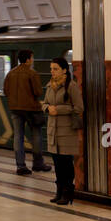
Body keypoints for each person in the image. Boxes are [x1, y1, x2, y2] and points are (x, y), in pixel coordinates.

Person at [43, 56, 84, 205]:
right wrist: (47, 108)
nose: (52, 72)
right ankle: (59, 191)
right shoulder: (49, 86)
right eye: (51, 69)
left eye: (55, 69)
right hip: (53, 131)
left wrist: (58, 110)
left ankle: (68, 191)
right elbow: (44, 103)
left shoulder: (71, 86)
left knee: (66, 163)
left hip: (66, 132)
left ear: (64, 70)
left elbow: (79, 108)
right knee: (57, 163)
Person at [3, 49, 50, 175]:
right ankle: (38, 163)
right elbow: (38, 92)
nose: (32, 60)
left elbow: (6, 91)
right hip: (31, 109)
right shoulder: (32, 73)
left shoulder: (10, 73)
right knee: (36, 135)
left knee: (18, 136)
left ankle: (20, 166)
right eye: (32, 57)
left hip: (15, 109)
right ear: (28, 59)